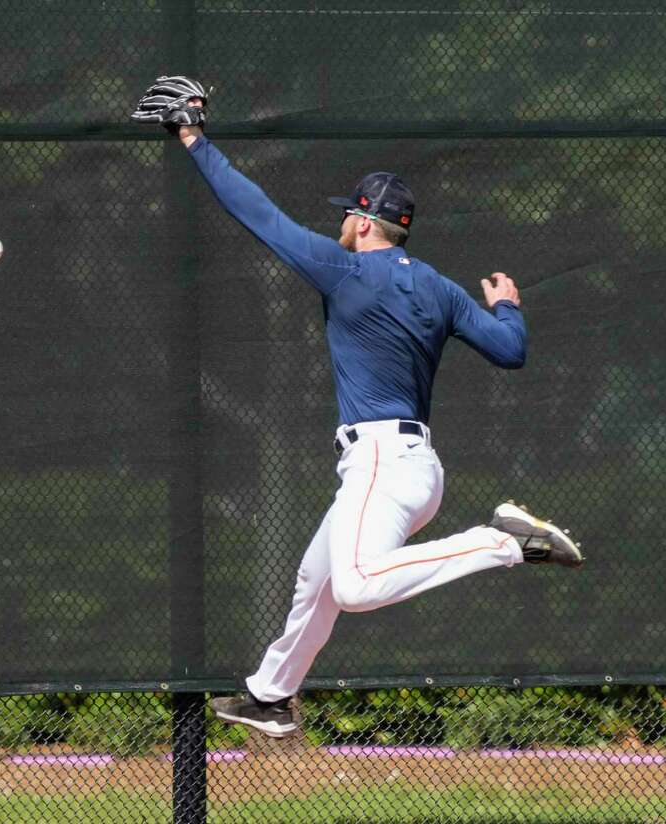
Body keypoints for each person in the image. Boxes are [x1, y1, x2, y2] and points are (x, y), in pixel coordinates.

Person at [132, 77, 584, 738]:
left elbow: (254, 210)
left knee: (356, 585)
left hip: (378, 458)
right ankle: (270, 693)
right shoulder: (438, 288)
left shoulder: (342, 268)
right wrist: (507, 304)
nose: (340, 221)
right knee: (316, 579)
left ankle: (501, 542)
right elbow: (510, 351)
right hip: (412, 465)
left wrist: (194, 138)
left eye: (349, 212)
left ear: (366, 221)